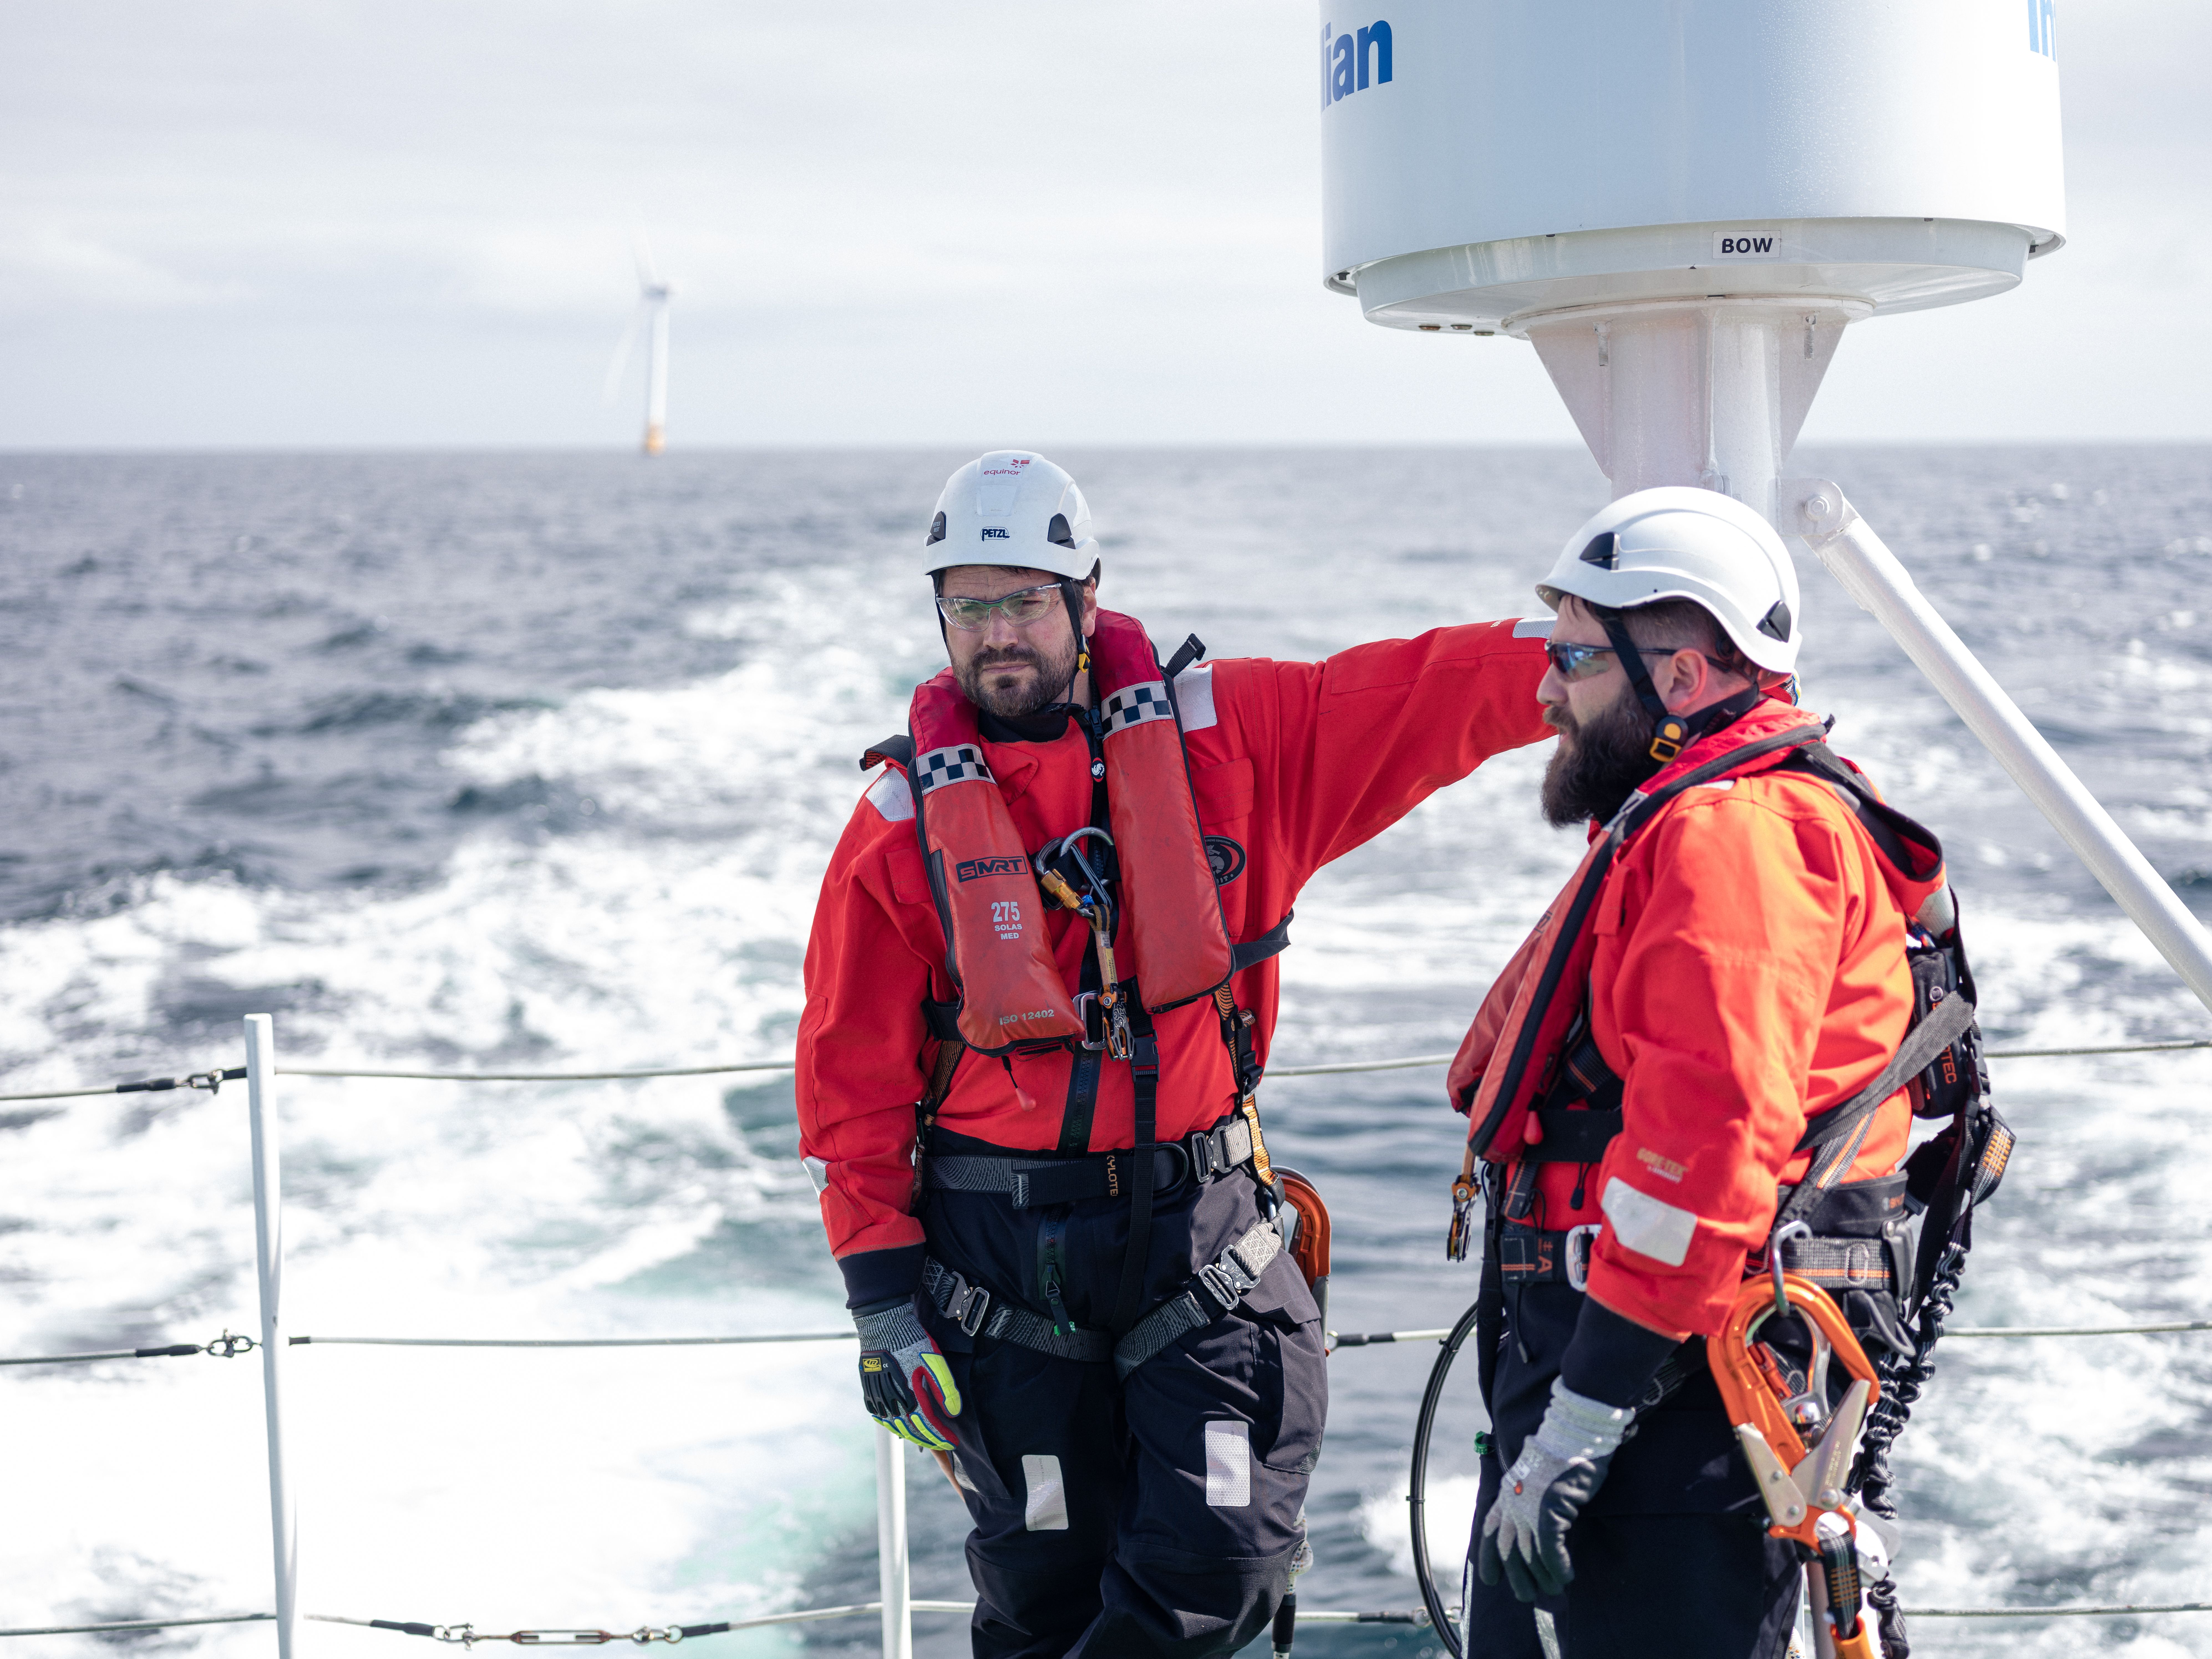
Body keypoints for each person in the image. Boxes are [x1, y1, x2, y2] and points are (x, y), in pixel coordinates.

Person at [798, 450, 1553, 1659]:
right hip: (1006, 1264)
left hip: (1200, 1231)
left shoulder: (1234, 743)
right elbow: (851, 1084)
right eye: (969, 606)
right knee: (1040, 1591)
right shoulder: (898, 832)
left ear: (1089, 598)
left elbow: (1424, 696)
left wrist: (1603, 648)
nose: (998, 634)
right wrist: (883, 1307)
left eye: (1026, 600)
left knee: (1226, 1556)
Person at [1446, 486, 1966, 1657]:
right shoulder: (1730, 807)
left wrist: (1578, 1425)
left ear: (1680, 676)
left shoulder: (1728, 837)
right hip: (1657, 1373)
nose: (1546, 691)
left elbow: (1707, 1150)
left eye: (1575, 655)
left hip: (1668, 1401)